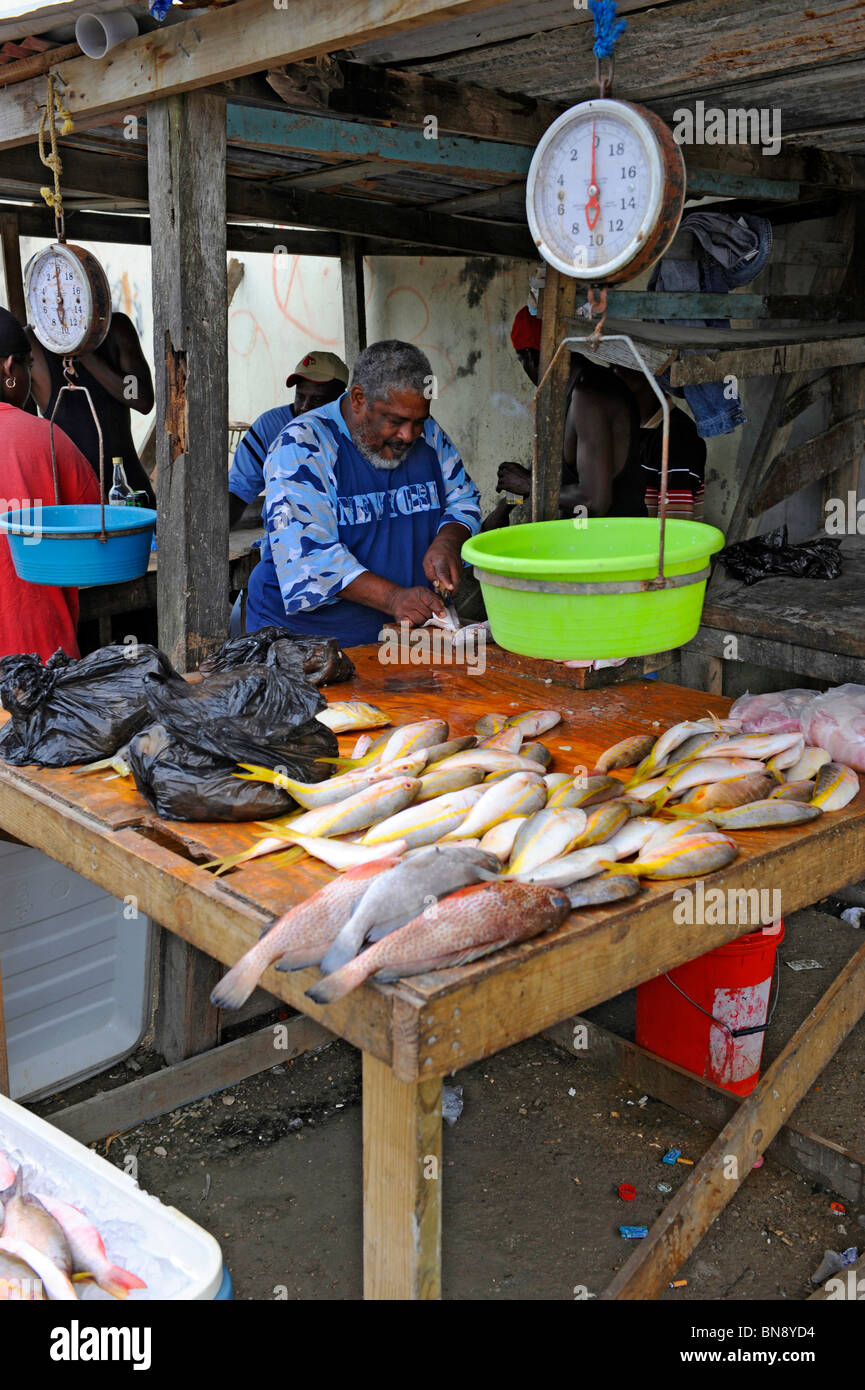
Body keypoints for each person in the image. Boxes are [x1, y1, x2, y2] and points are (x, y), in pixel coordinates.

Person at [246, 339, 481, 647]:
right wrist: (395, 598)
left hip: (399, 638)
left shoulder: (429, 434)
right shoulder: (302, 445)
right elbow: (310, 554)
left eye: (418, 422)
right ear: (358, 398)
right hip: (306, 640)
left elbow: (463, 500)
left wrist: (447, 541)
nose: (408, 435)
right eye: (395, 421)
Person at [0, 307, 102, 662]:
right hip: (41, 662)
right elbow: (98, 534)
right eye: (29, 365)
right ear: (9, 368)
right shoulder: (47, 440)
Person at [26, 311, 155, 506]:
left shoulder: (115, 329)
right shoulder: (31, 343)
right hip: (75, 500)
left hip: (126, 490)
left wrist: (84, 351)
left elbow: (142, 400)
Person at [228, 351, 349, 527]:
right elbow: (238, 490)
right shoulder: (269, 426)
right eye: (300, 396)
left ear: (341, 398)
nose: (304, 407)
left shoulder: (354, 430)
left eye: (317, 400)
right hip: (285, 538)